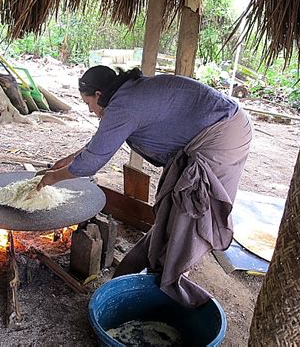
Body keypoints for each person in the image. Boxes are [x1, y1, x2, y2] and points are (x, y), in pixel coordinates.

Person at [37, 65, 253, 307]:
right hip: (216, 126)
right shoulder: (125, 95)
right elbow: (100, 142)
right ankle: (153, 261)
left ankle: (172, 283)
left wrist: (51, 178)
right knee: (171, 208)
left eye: (88, 104)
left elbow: (90, 164)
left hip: (222, 135)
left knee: (189, 210)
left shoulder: (123, 105)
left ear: (98, 95)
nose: (90, 110)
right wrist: (66, 161)